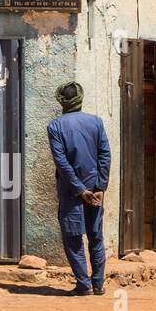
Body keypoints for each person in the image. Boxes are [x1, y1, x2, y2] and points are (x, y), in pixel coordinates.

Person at [46, 81, 112, 296]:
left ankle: (83, 285)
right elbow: (105, 155)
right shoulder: (96, 122)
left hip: (72, 192)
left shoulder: (55, 126)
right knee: (96, 236)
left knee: (73, 238)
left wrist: (78, 189)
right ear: (80, 99)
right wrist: (100, 186)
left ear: (61, 101)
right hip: (95, 189)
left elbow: (61, 162)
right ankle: (98, 284)